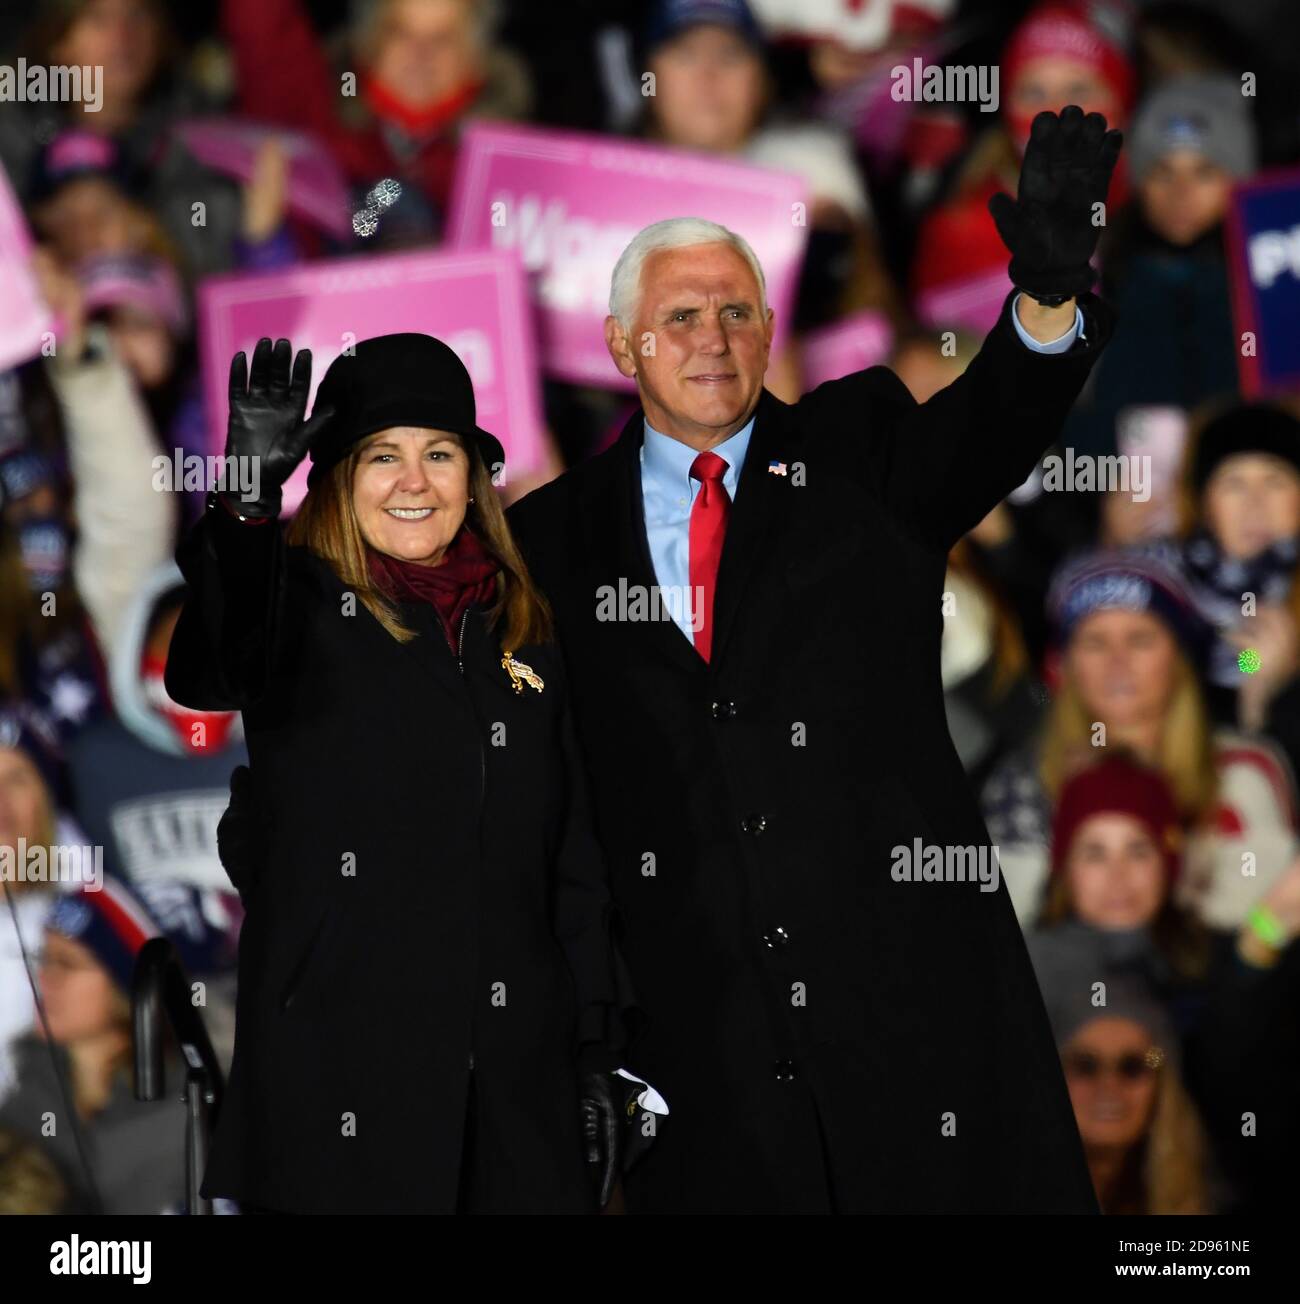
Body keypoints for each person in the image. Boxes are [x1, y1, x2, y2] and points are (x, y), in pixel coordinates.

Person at [498, 106, 1122, 1211]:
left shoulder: (857, 452)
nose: (713, 337)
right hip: (702, 1055)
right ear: (619, 345)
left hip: (912, 1015)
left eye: (737, 311)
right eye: (680, 315)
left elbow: (990, 421)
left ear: (770, 325)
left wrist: (1045, 304)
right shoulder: (543, 541)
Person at [164, 333, 651, 1214]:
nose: (413, 481)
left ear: (474, 474)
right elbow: (212, 667)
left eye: (439, 453)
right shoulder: (300, 605)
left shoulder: (525, 628)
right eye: (381, 456)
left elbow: (572, 863)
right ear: (340, 478)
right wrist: (245, 506)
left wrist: (594, 1050)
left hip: (518, 1104)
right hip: (341, 1097)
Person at [983, 549, 1298, 930]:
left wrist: (1268, 692)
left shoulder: (1244, 773)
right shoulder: (1023, 784)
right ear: (1064, 666)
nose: (1118, 661)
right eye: (1095, 642)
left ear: (1178, 658)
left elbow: (1273, 926)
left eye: (1140, 639)